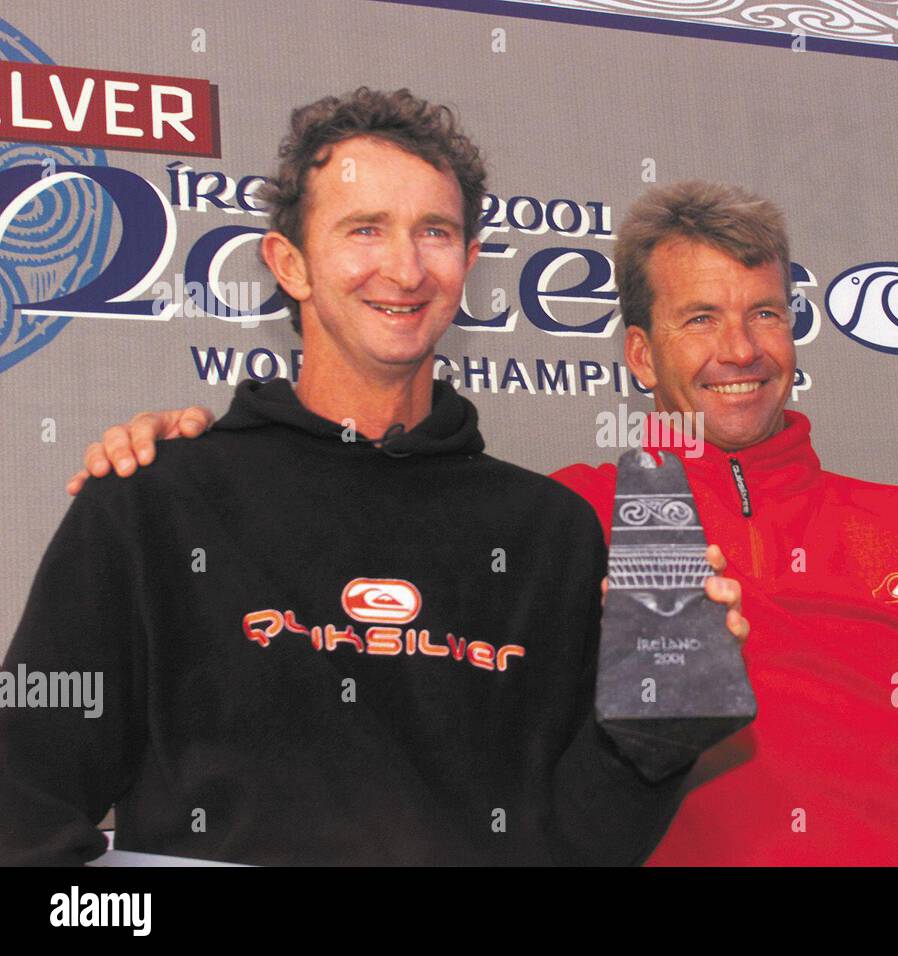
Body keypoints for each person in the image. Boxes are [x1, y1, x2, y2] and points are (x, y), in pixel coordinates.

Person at [67, 181, 898, 866]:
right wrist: (191, 461)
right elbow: (350, 597)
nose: (739, 347)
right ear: (641, 354)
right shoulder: (554, 520)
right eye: (700, 316)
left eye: (762, 313)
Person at [0, 90, 747, 867]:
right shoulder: (153, 499)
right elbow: (23, 808)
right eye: (365, 230)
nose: (404, 267)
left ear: (470, 262)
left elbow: (575, 848)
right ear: (289, 262)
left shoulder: (550, 531)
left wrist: (653, 731)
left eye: (435, 232)